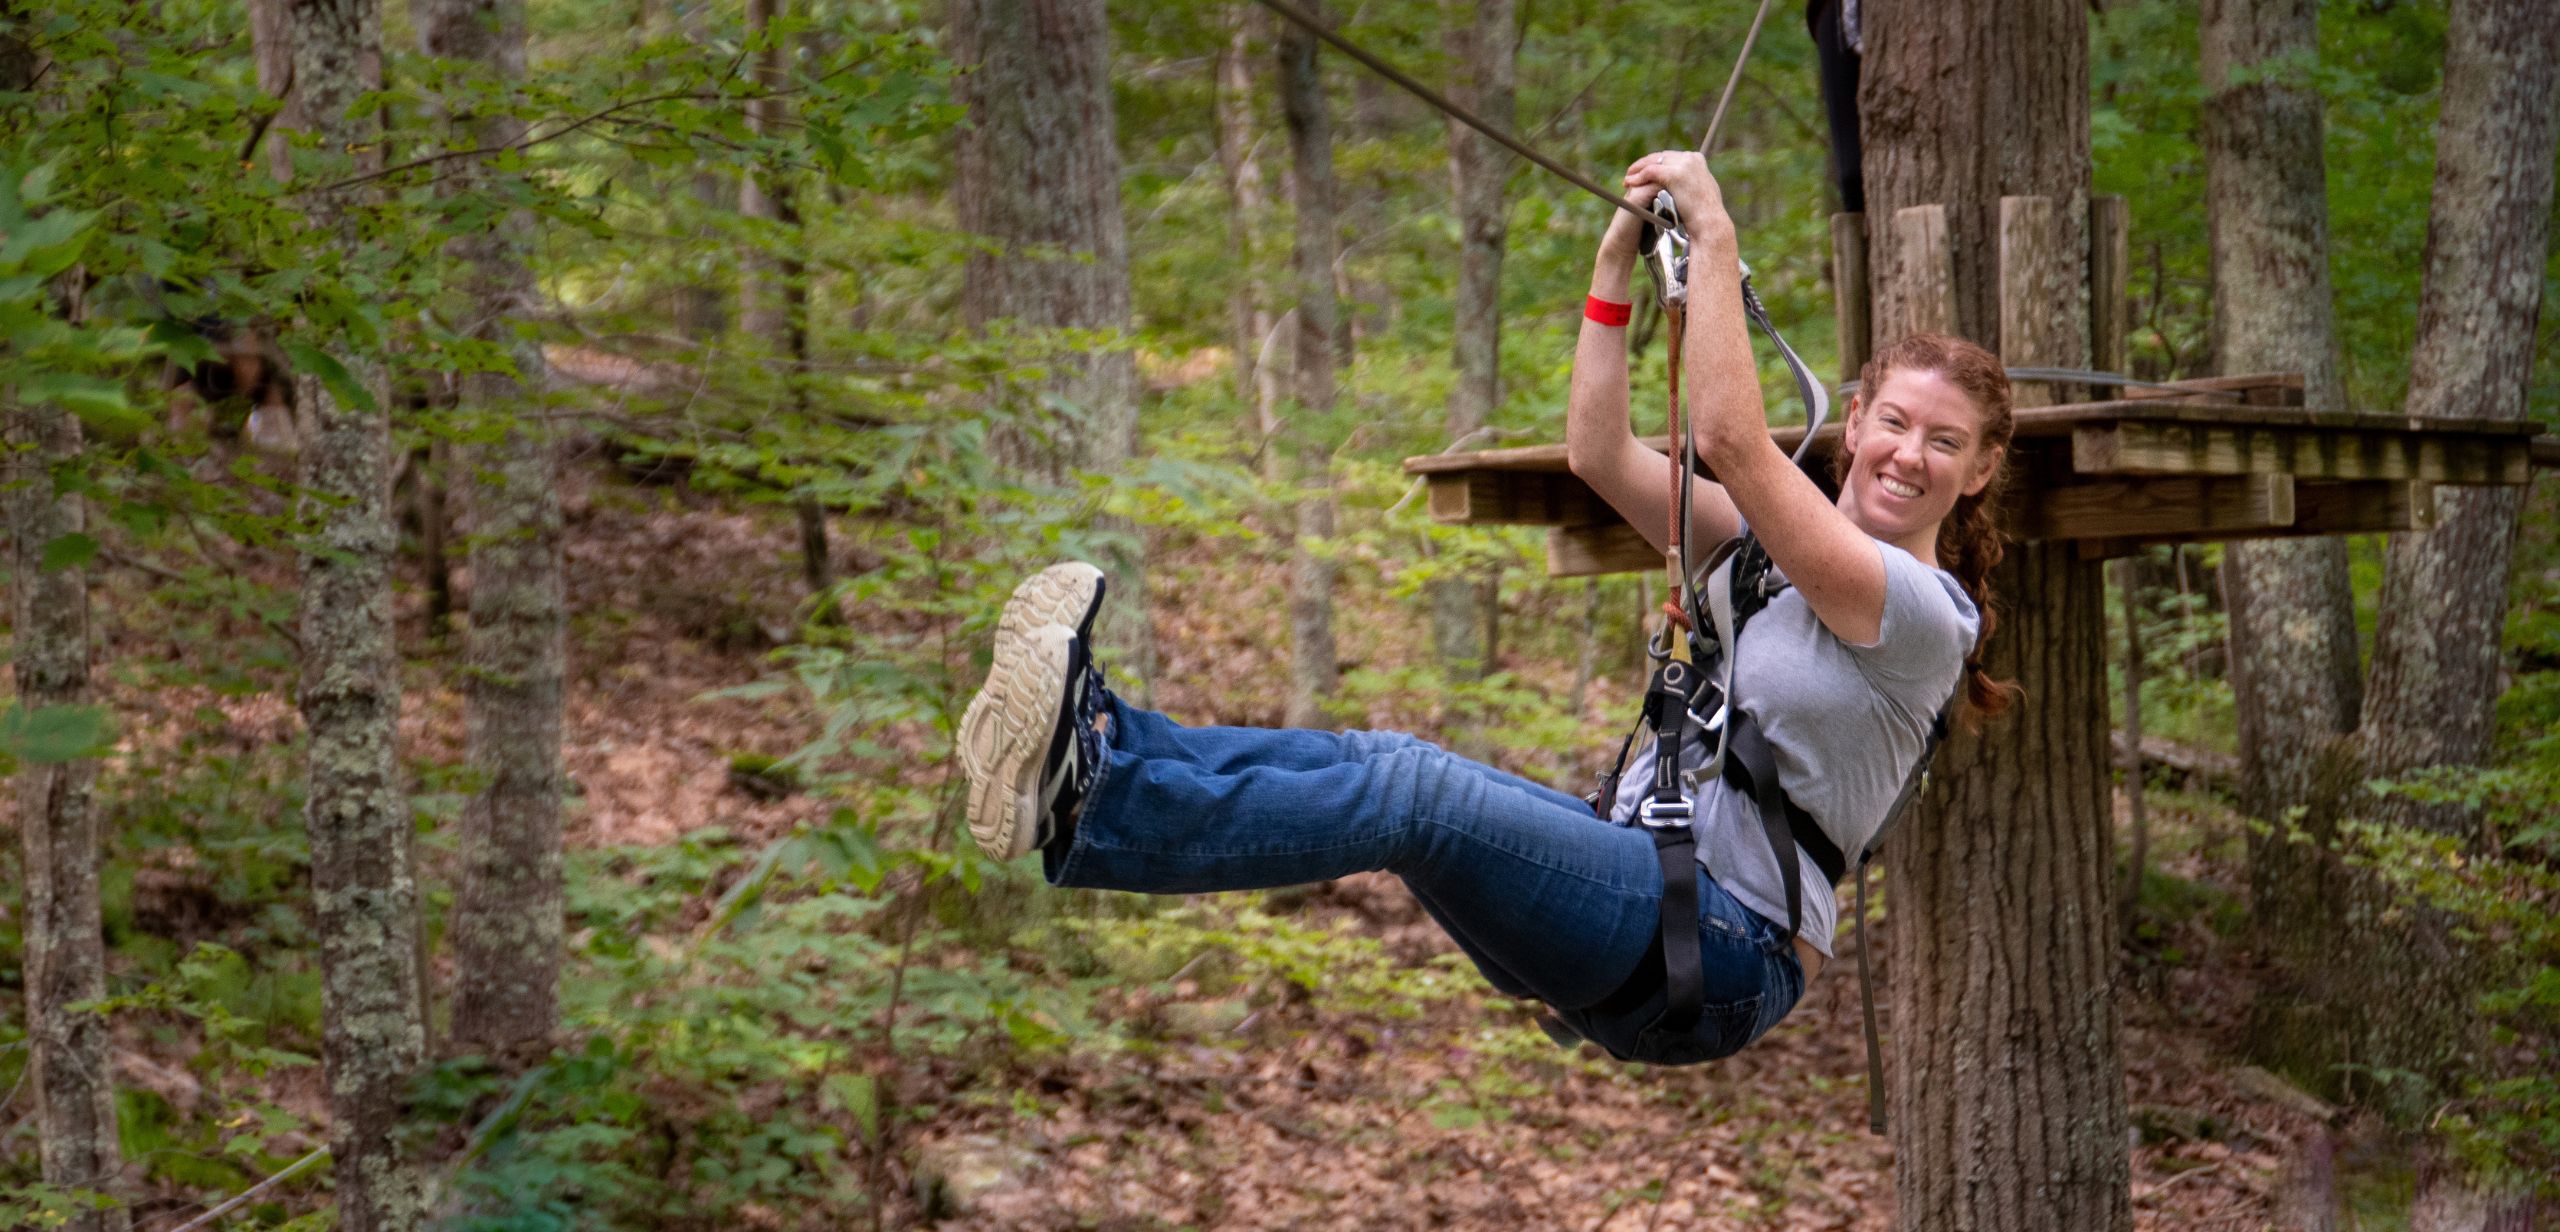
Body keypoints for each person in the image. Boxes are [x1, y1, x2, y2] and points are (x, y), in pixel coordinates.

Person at [956, 150, 2015, 1065]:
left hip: (1720, 947)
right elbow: (1597, 454)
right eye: (1893, 420)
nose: (1905, 454)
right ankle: (1102, 751)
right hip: (1650, 887)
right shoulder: (1756, 551)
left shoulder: (1922, 612)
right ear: (1859, 417)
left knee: (1414, 793)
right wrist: (1612, 273)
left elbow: (1735, 439)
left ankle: (1093, 802)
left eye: (1943, 440)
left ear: (1978, 472)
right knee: (1376, 765)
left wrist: (1718, 238)